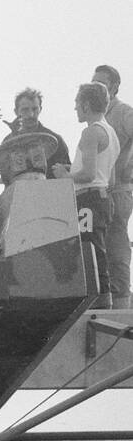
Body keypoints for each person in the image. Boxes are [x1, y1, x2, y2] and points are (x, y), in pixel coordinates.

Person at [60, 81, 121, 299]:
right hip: (103, 198)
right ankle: (103, 295)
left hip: (89, 199)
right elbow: (109, 177)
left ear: (86, 105)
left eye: (77, 103)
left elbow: (88, 175)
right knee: (97, 247)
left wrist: (65, 176)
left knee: (89, 249)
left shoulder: (91, 133)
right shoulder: (110, 133)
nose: (75, 108)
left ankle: (98, 298)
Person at [93, 66, 133, 308]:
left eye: (102, 83)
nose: (97, 87)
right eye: (94, 83)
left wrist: (127, 168)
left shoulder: (123, 113)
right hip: (100, 194)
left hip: (117, 193)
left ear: (114, 87)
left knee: (116, 248)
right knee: (102, 249)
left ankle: (121, 309)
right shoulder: (100, 116)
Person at [7, 87, 71, 170]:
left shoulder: (56, 140)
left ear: (40, 109)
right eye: (25, 110)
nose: (31, 114)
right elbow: (5, 175)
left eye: (35, 109)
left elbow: (66, 174)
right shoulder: (8, 143)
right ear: (16, 112)